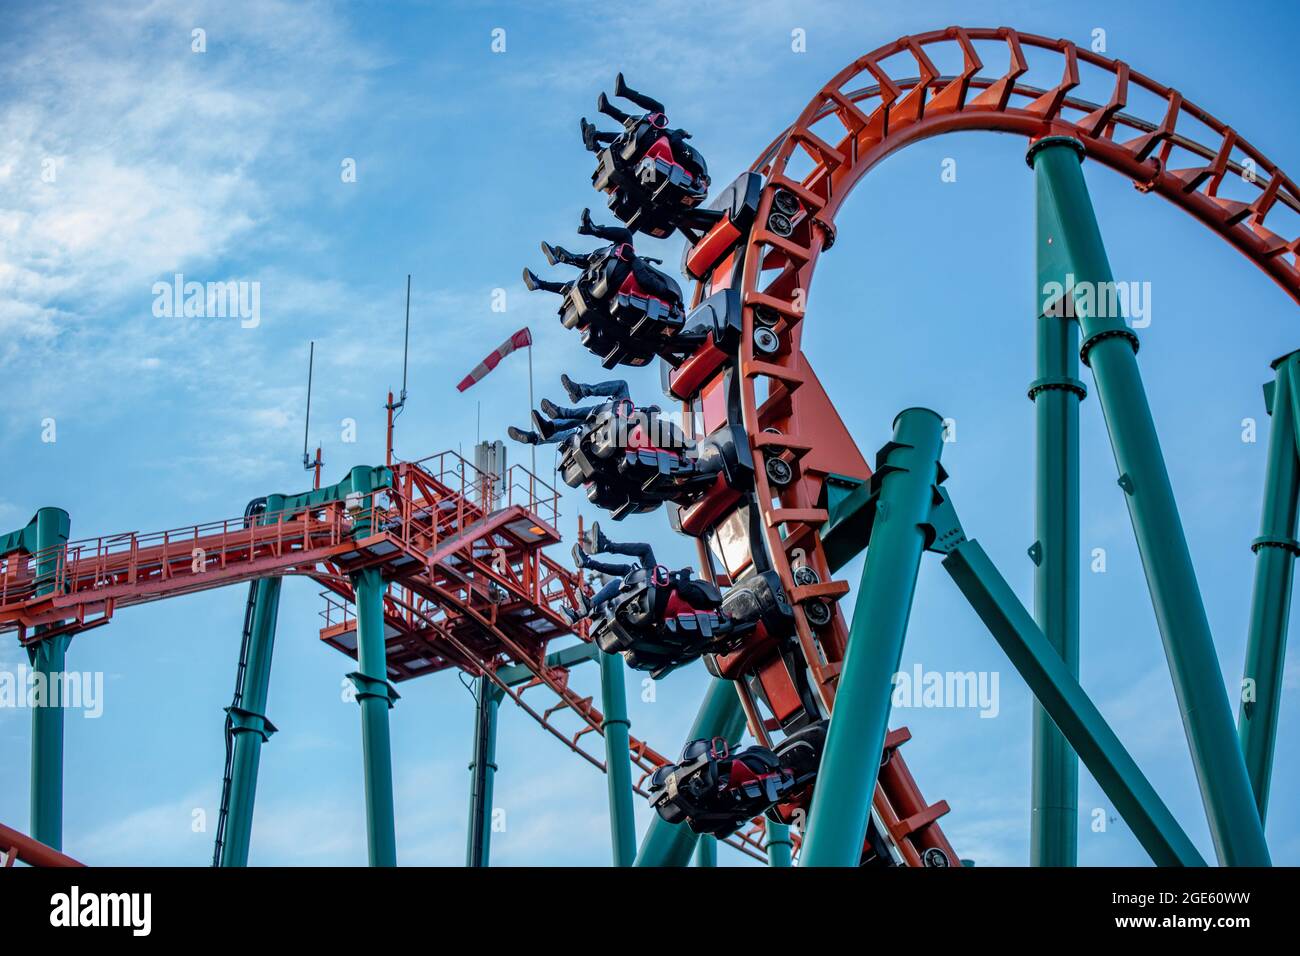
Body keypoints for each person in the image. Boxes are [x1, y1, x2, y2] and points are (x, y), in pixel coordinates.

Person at [559, 521, 660, 626]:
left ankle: (604, 547)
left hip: (661, 594)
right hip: (660, 599)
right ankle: (578, 613)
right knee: (626, 571)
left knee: (645, 550)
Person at [506, 376, 633, 446]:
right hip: (607, 431)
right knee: (578, 430)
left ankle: (576, 396)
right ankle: (541, 433)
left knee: (621, 387)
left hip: (621, 425)